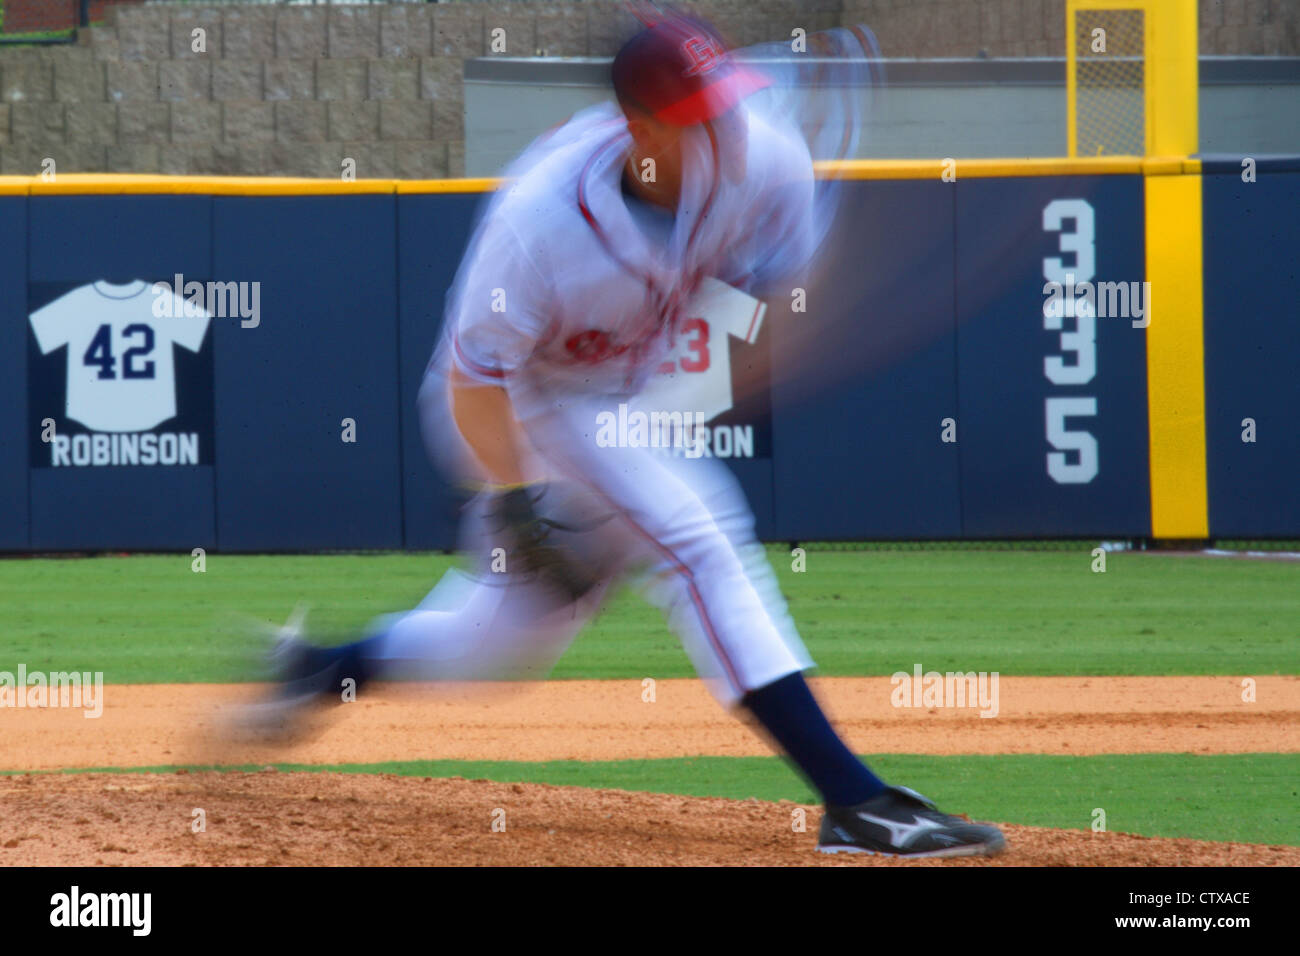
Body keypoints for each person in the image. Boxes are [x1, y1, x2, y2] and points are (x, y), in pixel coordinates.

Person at [255, 13, 1004, 859]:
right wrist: (514, 501)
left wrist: (763, 352)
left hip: (625, 396)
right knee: (702, 538)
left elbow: (780, 297)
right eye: (695, 115)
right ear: (639, 129)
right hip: (514, 404)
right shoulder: (539, 220)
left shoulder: (765, 159)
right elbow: (473, 383)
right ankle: (857, 802)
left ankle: (320, 670)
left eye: (724, 102)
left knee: (497, 646)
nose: (721, 126)